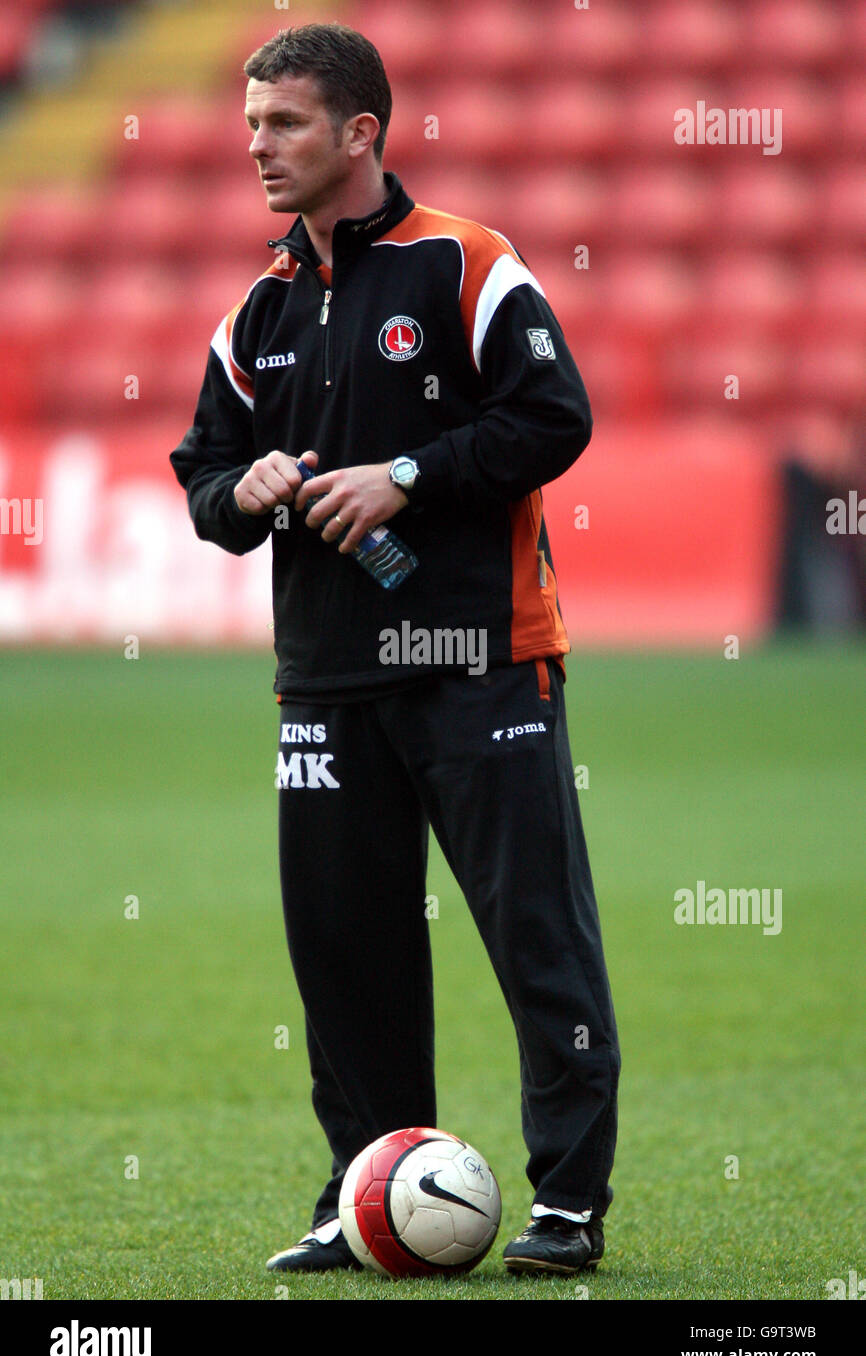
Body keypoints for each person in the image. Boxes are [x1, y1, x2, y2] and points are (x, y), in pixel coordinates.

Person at [170, 22, 620, 1277]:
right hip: (321, 678)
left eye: (285, 123)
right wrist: (245, 485)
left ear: (360, 133)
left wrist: (406, 477)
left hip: (480, 660)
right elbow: (202, 483)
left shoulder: (466, 265)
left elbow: (552, 418)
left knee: (537, 938)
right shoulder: (256, 309)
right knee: (345, 956)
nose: (256, 144)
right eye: (251, 121)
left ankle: (568, 1205)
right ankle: (362, 1190)